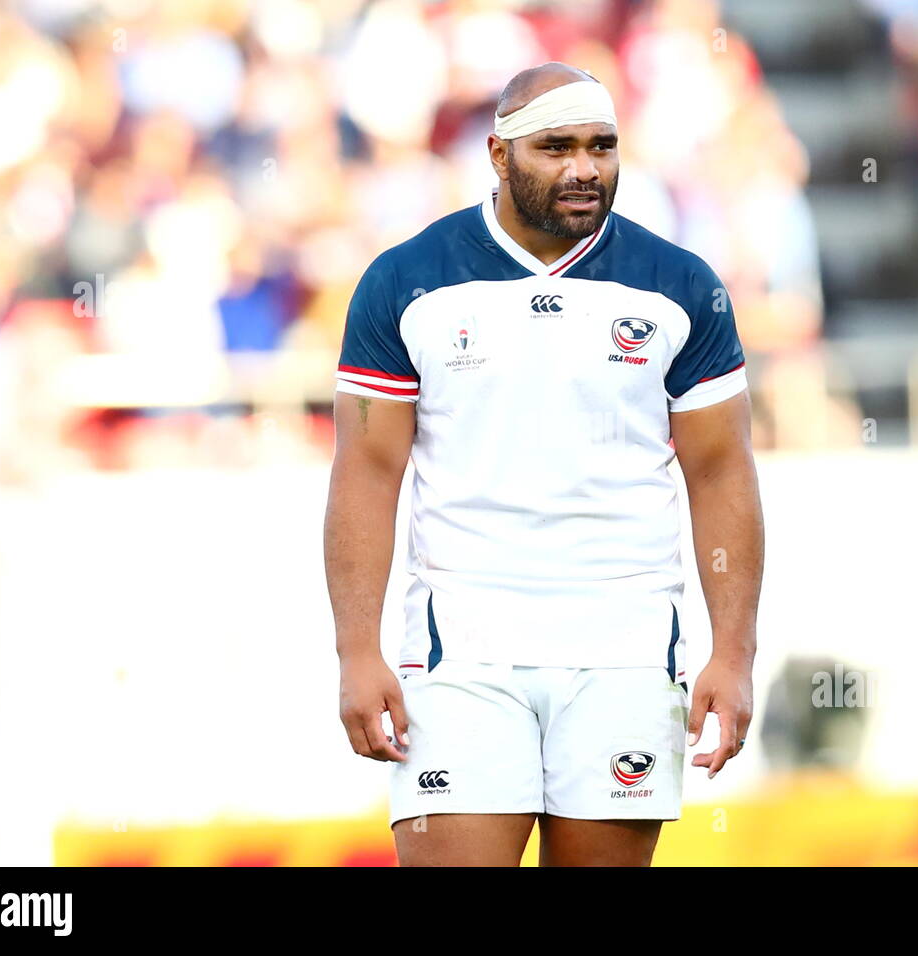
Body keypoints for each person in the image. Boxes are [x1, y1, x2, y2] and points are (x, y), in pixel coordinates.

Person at [324, 62, 764, 866]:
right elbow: (365, 471)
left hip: (626, 650)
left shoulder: (680, 287)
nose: (584, 169)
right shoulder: (406, 282)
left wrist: (733, 653)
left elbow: (723, 474)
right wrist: (357, 649)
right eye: (555, 147)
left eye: (601, 146)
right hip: (460, 648)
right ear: (498, 155)